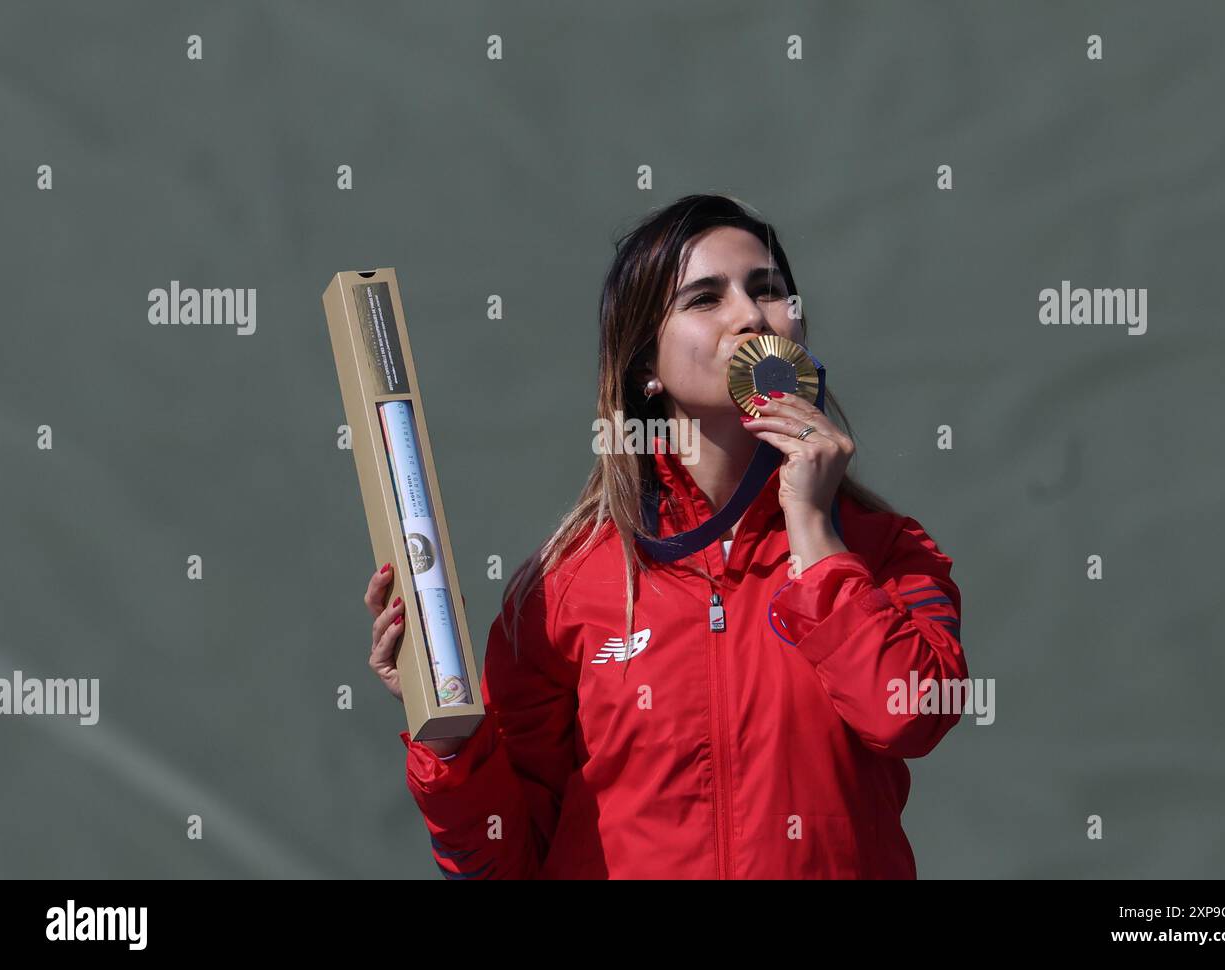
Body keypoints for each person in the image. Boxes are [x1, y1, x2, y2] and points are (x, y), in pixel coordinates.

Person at [363, 194, 968, 879]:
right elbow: (501, 861)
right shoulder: (563, 588)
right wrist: (446, 730)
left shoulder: (885, 549)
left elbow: (909, 717)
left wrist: (813, 527)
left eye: (768, 291)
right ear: (646, 366)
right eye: (705, 299)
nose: (748, 315)